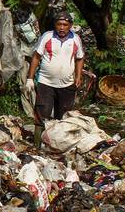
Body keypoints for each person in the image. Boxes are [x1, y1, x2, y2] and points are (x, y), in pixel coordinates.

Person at [27, 11, 86, 147]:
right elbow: (36, 57)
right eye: (59, 24)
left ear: (70, 25)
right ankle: (37, 146)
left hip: (67, 84)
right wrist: (30, 78)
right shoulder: (47, 37)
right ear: (55, 25)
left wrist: (78, 76)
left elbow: (80, 58)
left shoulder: (75, 39)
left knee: (64, 116)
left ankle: (57, 146)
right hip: (46, 83)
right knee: (42, 114)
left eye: (65, 24)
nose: (61, 27)